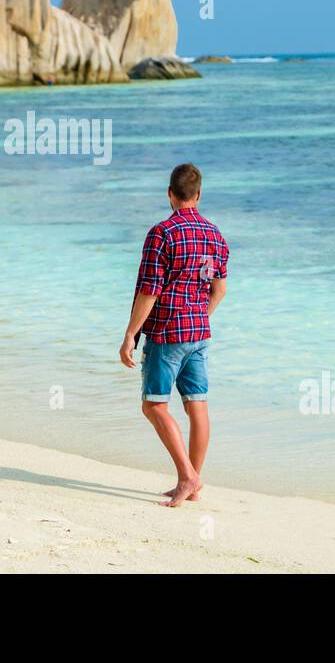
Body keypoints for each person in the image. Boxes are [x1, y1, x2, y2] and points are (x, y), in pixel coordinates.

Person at [120, 163, 229, 507]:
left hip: (167, 333)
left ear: (170, 193)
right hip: (199, 332)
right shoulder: (215, 235)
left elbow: (150, 290)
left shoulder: (162, 233)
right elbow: (219, 290)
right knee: (197, 405)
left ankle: (187, 476)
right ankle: (193, 481)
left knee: (153, 405)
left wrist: (130, 334)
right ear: (198, 195)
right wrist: (198, 315)